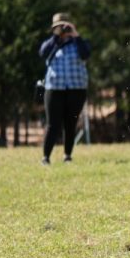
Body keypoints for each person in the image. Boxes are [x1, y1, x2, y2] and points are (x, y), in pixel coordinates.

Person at [39, 12, 91, 164]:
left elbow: (86, 54)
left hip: (77, 89)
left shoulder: (79, 43)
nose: (62, 29)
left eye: (65, 26)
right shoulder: (51, 44)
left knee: (71, 123)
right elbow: (42, 53)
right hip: (54, 89)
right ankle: (46, 157)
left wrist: (76, 35)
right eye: (58, 27)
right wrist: (56, 37)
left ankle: (67, 155)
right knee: (52, 124)